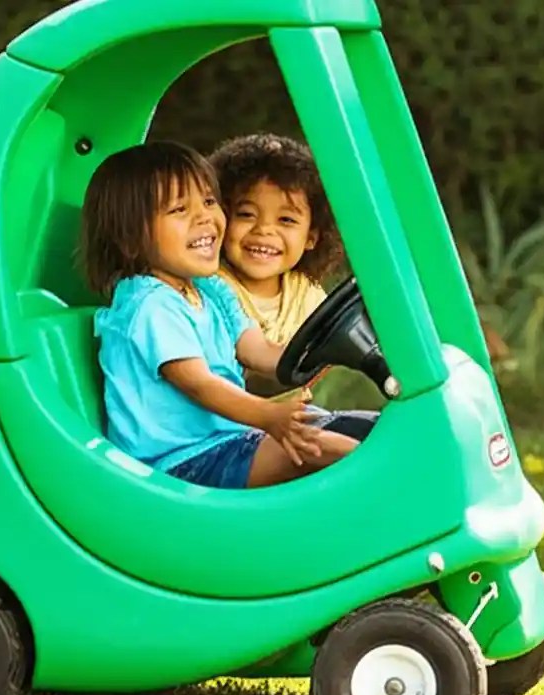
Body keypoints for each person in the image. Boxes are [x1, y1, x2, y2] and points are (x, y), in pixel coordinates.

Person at [80, 140, 359, 490]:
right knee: (335, 450)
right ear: (131, 238)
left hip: (231, 441)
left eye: (209, 201)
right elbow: (198, 383)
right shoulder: (148, 303)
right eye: (180, 209)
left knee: (365, 428)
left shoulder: (209, 289)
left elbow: (262, 353)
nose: (205, 218)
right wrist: (268, 415)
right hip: (178, 465)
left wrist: (333, 346)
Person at [210, 132, 380, 439]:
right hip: (233, 427)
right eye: (246, 214)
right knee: (348, 444)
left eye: (286, 220)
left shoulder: (307, 294)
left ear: (312, 236)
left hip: (292, 420)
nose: (263, 230)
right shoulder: (212, 287)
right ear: (221, 218)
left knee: (378, 431)